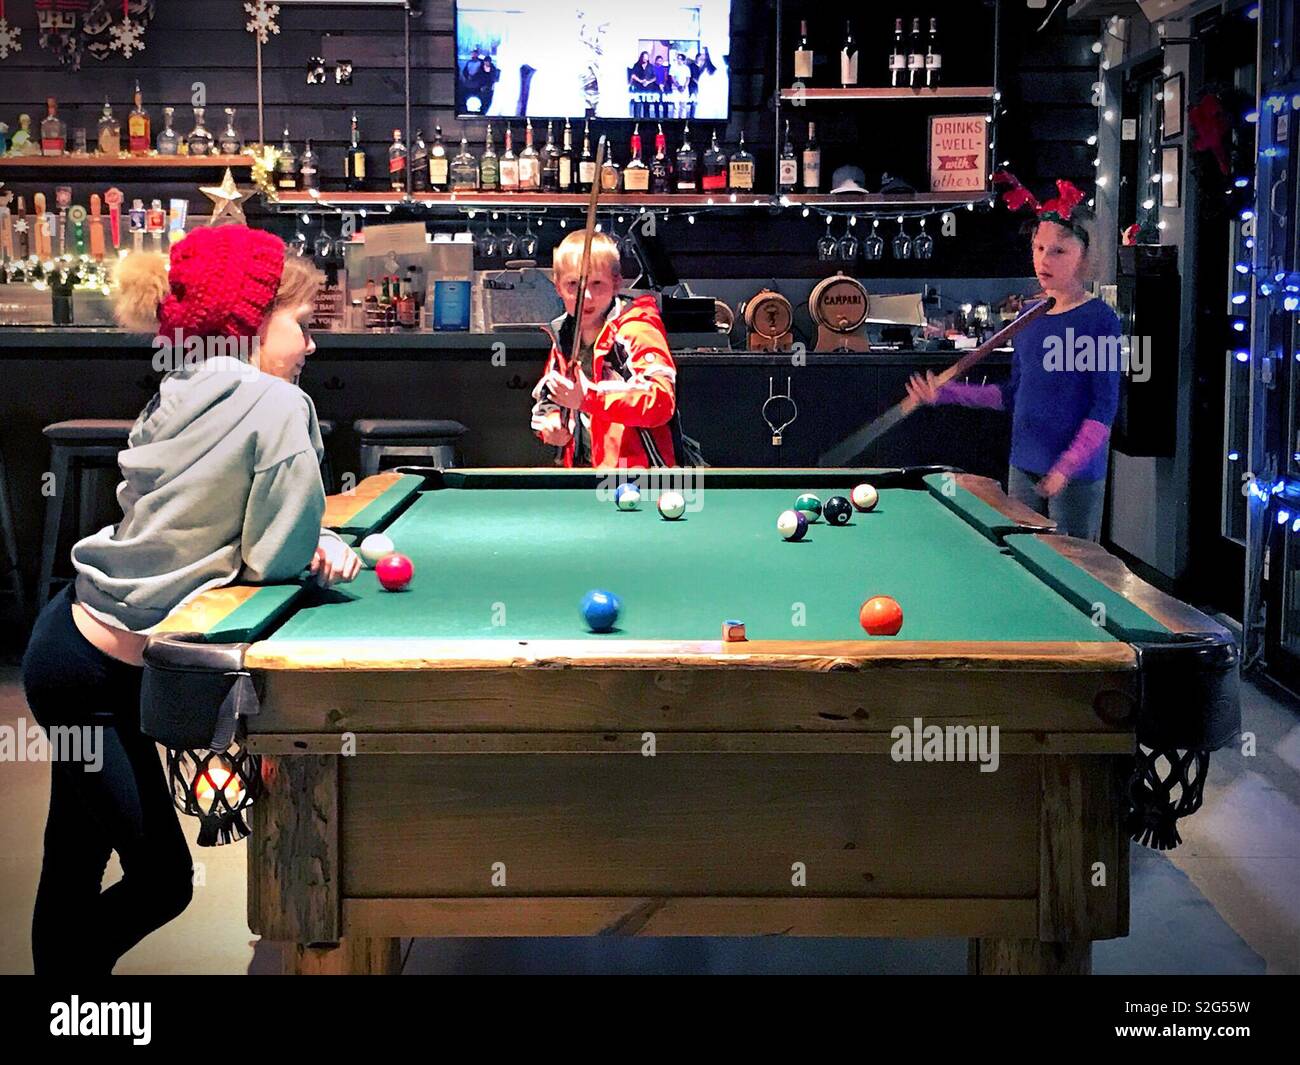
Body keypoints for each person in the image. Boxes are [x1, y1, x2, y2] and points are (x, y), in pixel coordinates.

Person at [20, 224, 361, 975]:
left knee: (72, 852)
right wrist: (314, 547)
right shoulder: (278, 406)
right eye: (301, 325)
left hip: (66, 647)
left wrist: (293, 537)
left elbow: (188, 511)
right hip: (98, 678)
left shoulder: (178, 386)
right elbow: (270, 558)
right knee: (163, 879)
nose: (310, 347)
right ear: (250, 323)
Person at [906, 186, 1120, 541]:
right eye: (1038, 249)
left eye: (1058, 251)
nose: (1044, 260)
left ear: (1084, 257)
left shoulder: (1100, 320)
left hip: (1076, 474)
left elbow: (1104, 408)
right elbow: (1012, 395)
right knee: (1024, 552)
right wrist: (947, 394)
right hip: (1024, 463)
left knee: (1077, 566)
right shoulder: (1027, 315)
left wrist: (1066, 467)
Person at [531, 231, 680, 468]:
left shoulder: (637, 328)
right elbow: (552, 396)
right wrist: (551, 423)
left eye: (596, 283)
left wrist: (589, 399)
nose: (586, 296)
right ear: (557, 287)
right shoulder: (563, 335)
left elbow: (660, 403)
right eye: (573, 284)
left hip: (642, 479)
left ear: (616, 284)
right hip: (582, 477)